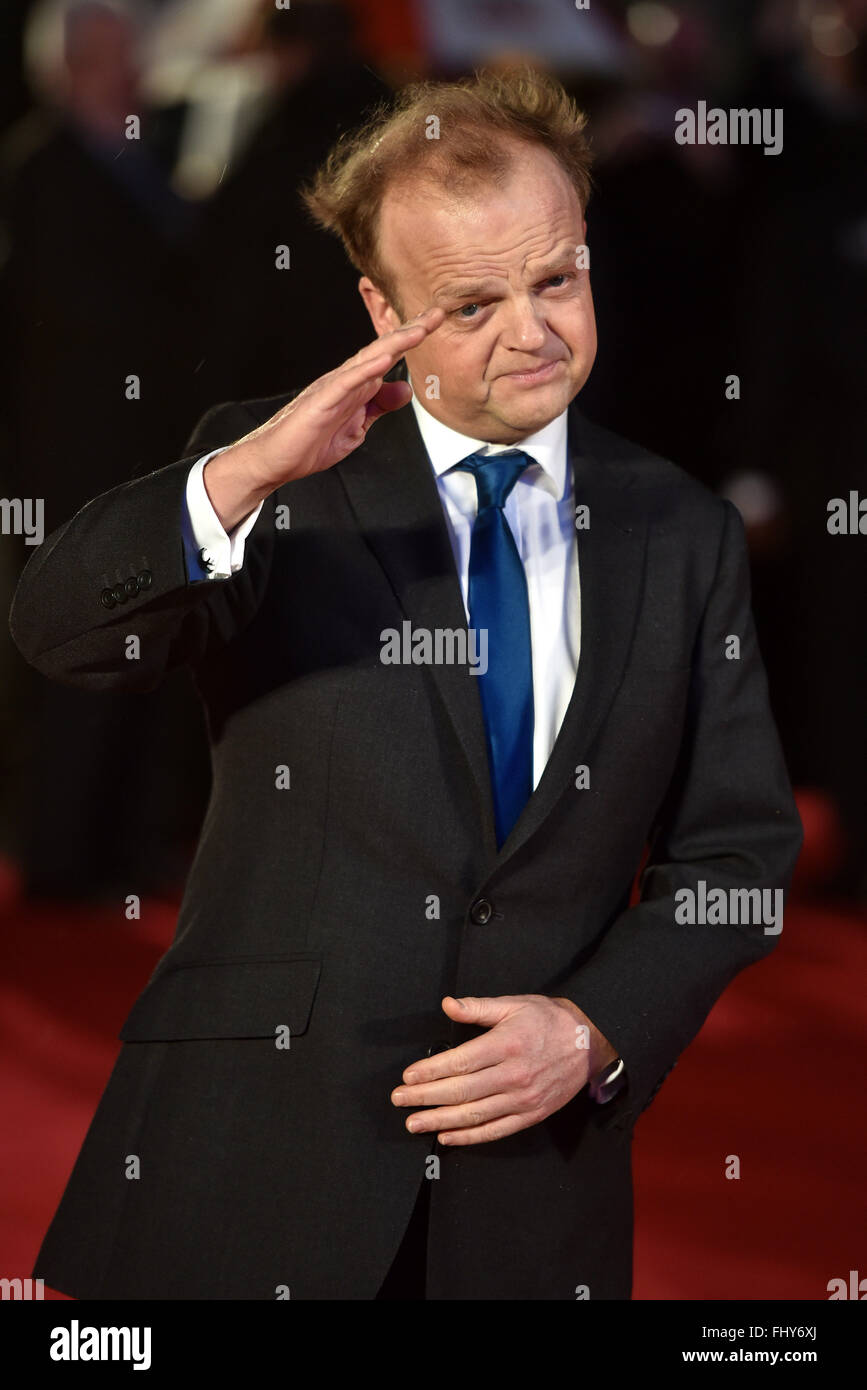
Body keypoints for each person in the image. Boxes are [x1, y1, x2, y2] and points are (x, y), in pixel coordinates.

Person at [10, 68, 802, 1300]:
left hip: (527, 1198)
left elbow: (740, 858)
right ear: (381, 306)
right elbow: (59, 631)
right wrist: (240, 474)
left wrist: (596, 1029)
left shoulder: (680, 531)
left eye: (558, 278)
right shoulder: (279, 481)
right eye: (472, 304)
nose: (532, 332)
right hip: (243, 1162)